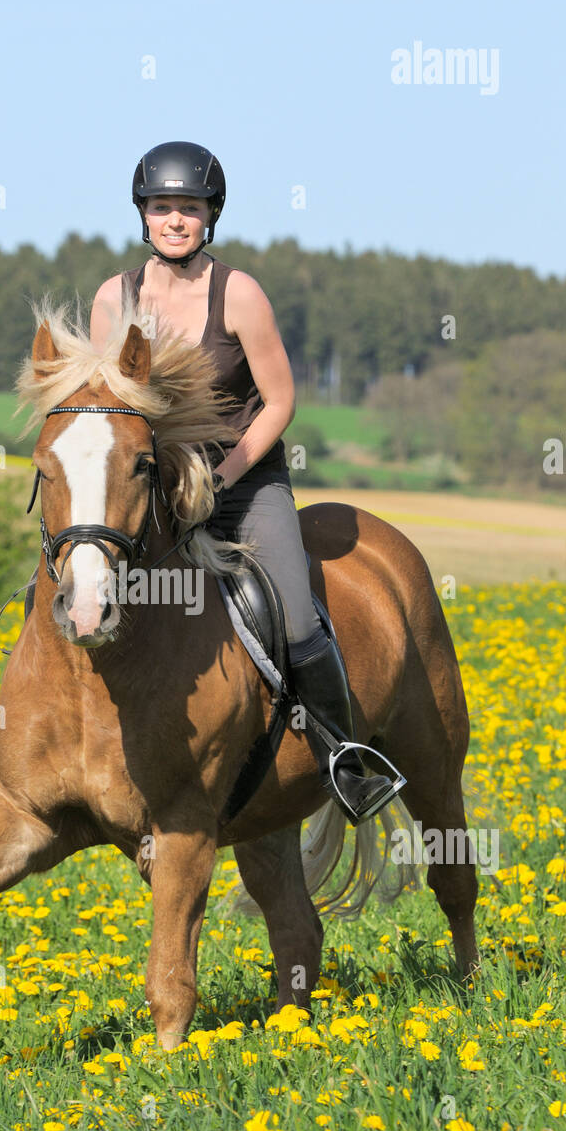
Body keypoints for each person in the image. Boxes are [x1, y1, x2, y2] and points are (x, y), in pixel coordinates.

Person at [86, 141, 401, 826]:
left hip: (244, 487)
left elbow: (280, 401)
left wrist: (221, 477)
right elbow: (105, 405)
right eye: (163, 207)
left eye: (189, 209)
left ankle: (344, 758)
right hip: (154, 493)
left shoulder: (239, 293)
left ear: (210, 216)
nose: (175, 220)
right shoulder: (114, 299)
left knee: (293, 613)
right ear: (142, 216)